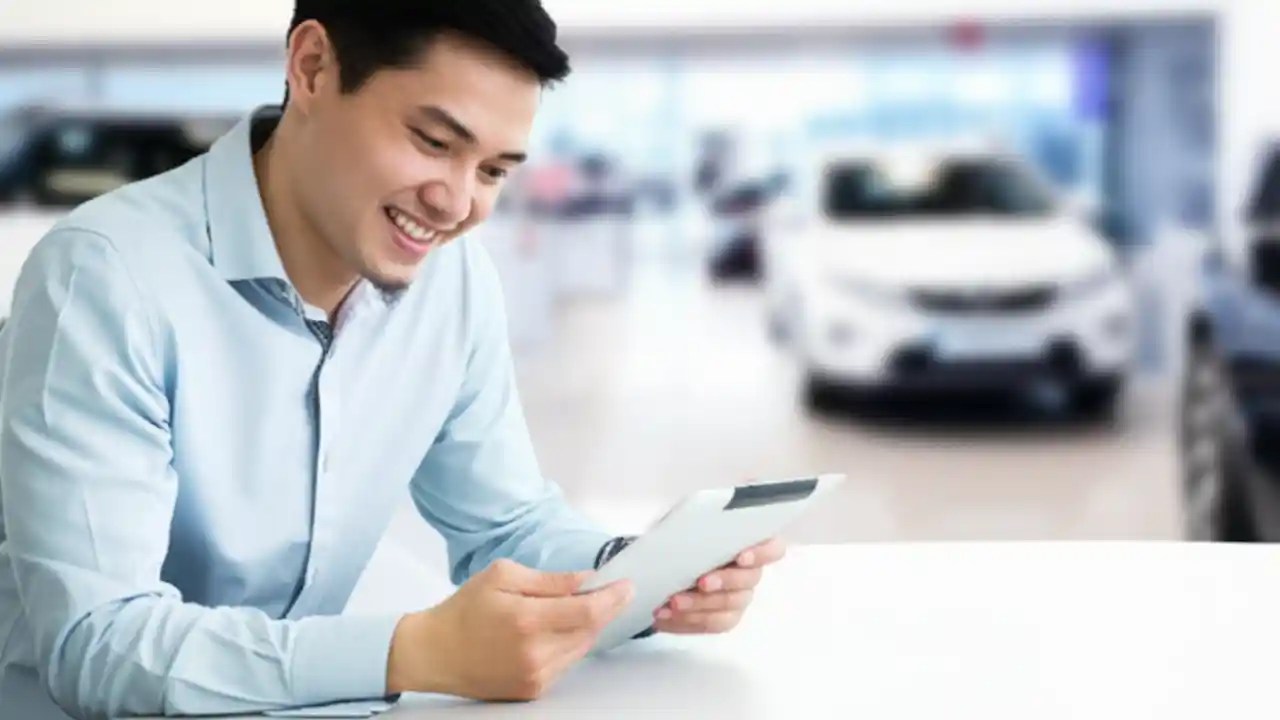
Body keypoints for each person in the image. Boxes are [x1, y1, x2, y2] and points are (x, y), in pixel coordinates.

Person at [0, 2, 787, 718]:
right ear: (312, 68)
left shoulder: (453, 280)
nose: (456, 203)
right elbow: (98, 645)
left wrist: (640, 578)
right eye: (433, 142)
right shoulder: (105, 278)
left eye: (492, 172)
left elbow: (505, 523)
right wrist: (415, 651)